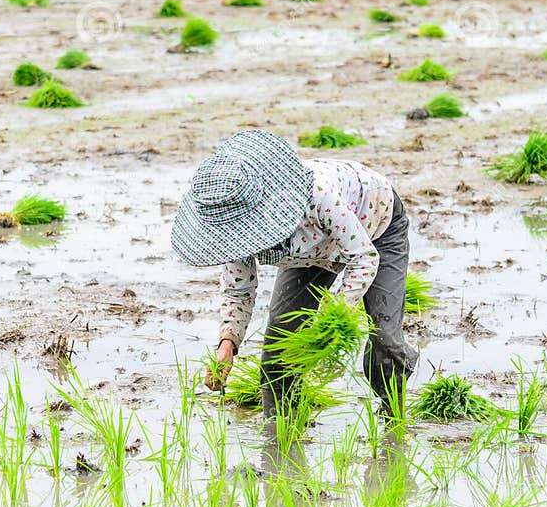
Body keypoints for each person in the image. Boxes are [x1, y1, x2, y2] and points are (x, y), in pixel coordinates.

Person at [171, 129, 418, 418]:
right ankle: (279, 432)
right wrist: (228, 343)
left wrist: (329, 318)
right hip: (310, 255)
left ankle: (393, 416)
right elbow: (238, 289)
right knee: (280, 346)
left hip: (375, 225)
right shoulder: (234, 230)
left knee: (385, 338)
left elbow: (363, 258)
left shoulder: (318, 196)